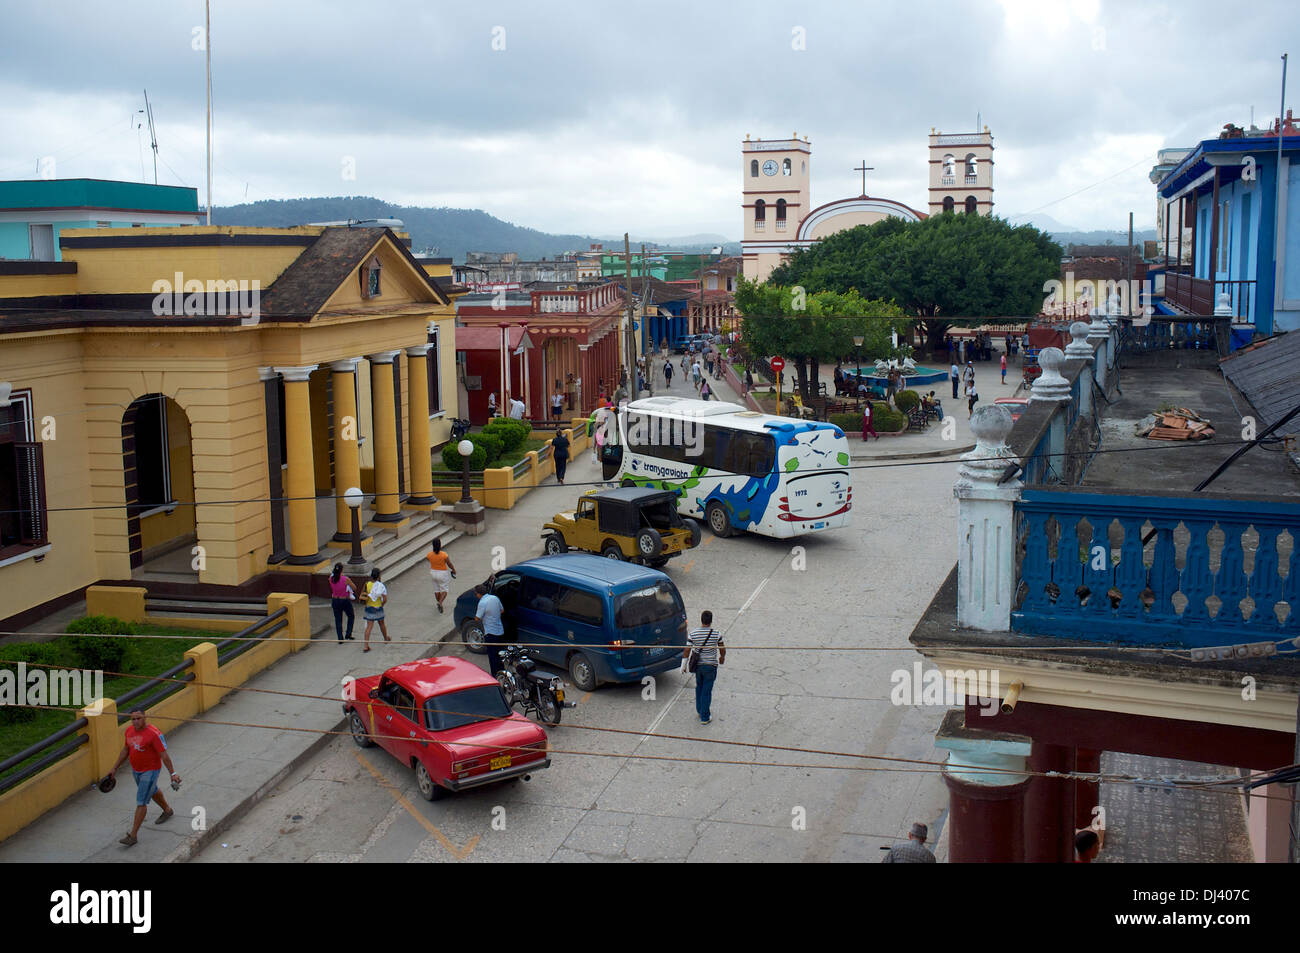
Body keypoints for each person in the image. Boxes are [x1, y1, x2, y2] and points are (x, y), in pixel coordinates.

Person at [108, 708, 180, 847]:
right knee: (152, 791)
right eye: (133, 719)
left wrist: (173, 773)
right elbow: (126, 750)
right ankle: (167, 810)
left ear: (145, 717)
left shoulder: (154, 734)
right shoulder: (129, 731)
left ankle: (133, 835)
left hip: (150, 771)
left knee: (141, 802)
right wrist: (114, 768)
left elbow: (164, 756)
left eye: (138, 718)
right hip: (137, 770)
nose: (135, 721)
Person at [682, 610, 724, 724]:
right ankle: (705, 717)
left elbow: (687, 650)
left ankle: (700, 710)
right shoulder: (716, 634)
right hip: (710, 666)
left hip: (698, 666)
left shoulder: (693, 633)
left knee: (699, 687)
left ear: (701, 619)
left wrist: (683, 665)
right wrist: (722, 658)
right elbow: (722, 648)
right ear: (711, 621)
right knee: (706, 691)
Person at [474, 582, 506, 677]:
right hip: (500, 631)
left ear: (479, 594)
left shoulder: (482, 602)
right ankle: (503, 674)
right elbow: (502, 610)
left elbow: (477, 618)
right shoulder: (495, 598)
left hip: (490, 633)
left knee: (493, 658)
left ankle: (495, 676)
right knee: (500, 656)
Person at [361, 567, 389, 652]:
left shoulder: (367, 584)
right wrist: (381, 605)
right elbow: (385, 599)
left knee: (369, 627)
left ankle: (366, 645)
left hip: (369, 607)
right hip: (378, 607)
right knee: (382, 624)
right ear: (379, 576)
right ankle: (385, 638)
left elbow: (364, 595)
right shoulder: (381, 586)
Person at [426, 539, 456, 614]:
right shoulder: (444, 555)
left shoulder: (429, 555)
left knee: (436, 589)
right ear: (440, 545)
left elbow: (430, 560)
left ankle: (439, 603)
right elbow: (449, 563)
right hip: (442, 573)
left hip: (433, 572)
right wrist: (453, 570)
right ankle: (440, 602)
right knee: (444, 589)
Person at [328, 563, 356, 642]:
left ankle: (340, 638)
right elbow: (354, 587)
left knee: (338, 619)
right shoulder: (345, 579)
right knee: (351, 616)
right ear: (342, 570)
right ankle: (348, 634)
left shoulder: (331, 579)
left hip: (335, 600)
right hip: (344, 600)